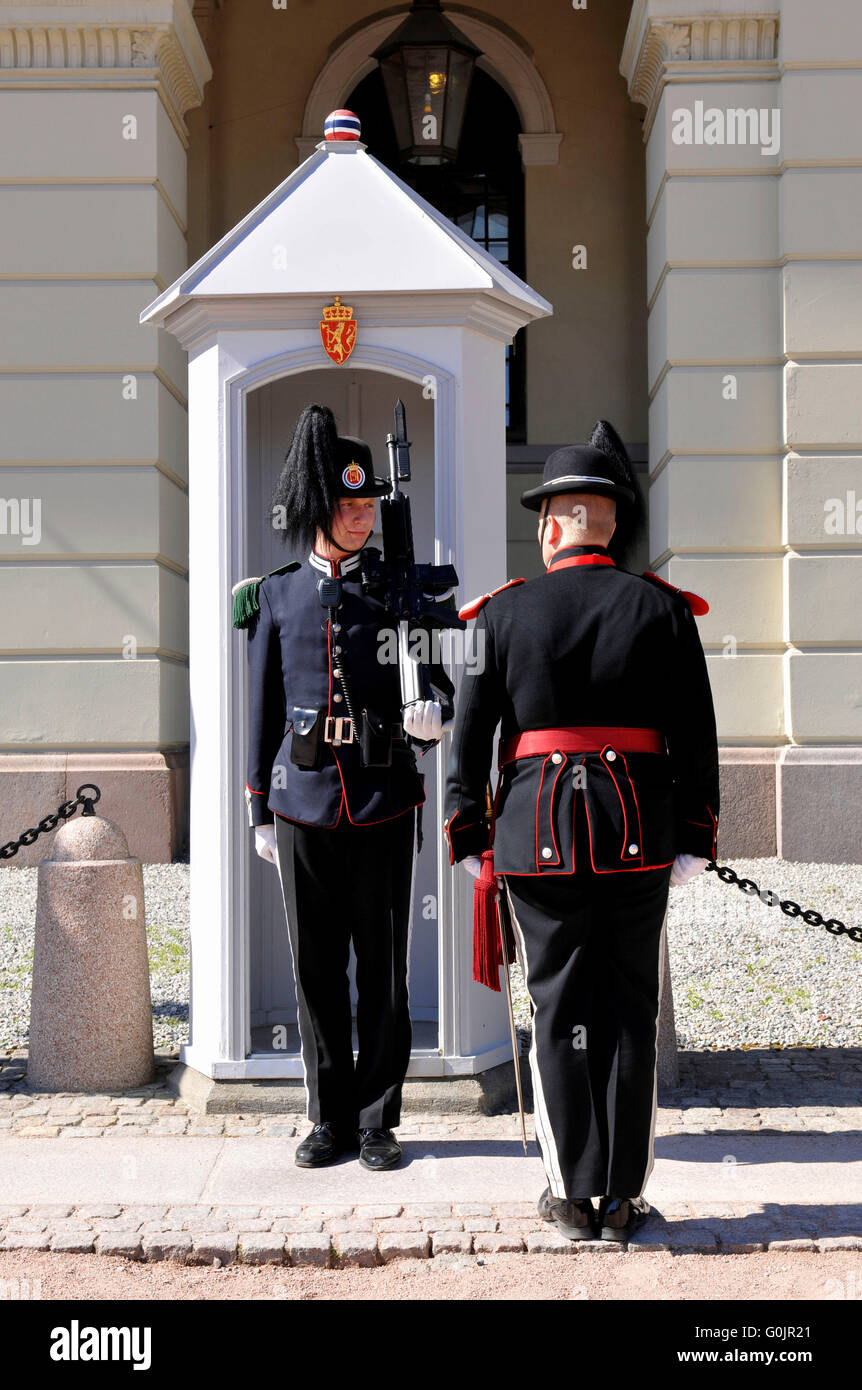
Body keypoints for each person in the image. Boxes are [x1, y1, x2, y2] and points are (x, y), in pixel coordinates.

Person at [443, 420, 720, 1241]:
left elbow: (470, 738)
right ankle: (624, 1200)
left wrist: (466, 835)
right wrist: (696, 836)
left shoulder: (501, 614)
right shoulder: (663, 609)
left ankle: (570, 1197)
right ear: (607, 521)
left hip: (538, 838)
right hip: (636, 831)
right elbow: (696, 734)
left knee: (558, 1010)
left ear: (551, 523)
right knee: (631, 1009)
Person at [233, 403, 448, 1172]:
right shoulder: (278, 595)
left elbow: (444, 685)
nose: (360, 519)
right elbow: (258, 710)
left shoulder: (404, 592)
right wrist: (259, 806)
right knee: (316, 967)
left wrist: (434, 715)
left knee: (382, 967)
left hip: (387, 797)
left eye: (367, 507)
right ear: (319, 510)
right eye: (348, 507)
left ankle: (376, 1120)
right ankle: (327, 1117)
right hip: (302, 800)